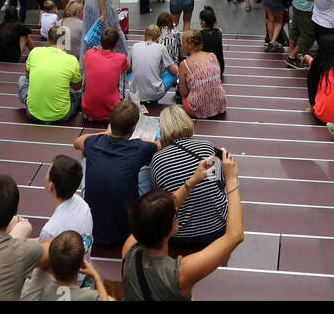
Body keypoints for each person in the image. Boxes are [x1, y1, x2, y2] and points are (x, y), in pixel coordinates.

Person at [122, 151, 244, 301]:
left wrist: (193, 181)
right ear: (170, 228)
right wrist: (232, 179)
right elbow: (235, 236)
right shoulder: (180, 274)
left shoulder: (128, 252)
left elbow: (157, 213)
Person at [72, 100, 159, 247]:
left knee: (86, 155)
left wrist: (106, 133)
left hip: (92, 226)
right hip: (125, 232)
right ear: (133, 129)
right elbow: (160, 145)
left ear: (111, 123)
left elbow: (77, 142)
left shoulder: (94, 142)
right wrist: (143, 140)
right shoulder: (140, 148)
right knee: (148, 163)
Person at [21, 154, 96, 301]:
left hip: (62, 283)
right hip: (82, 271)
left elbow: (40, 263)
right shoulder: (83, 205)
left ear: (51, 186)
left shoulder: (51, 229)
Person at [149, 105, 228, 244]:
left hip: (177, 235)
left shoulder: (157, 159)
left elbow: (161, 197)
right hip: (217, 228)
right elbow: (221, 184)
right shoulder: (207, 147)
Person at [19, 24, 82, 123]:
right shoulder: (71, 60)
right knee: (79, 94)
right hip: (61, 115)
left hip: (33, 114)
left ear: (48, 39)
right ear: (64, 41)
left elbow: (28, 76)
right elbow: (77, 87)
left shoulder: (35, 52)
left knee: (22, 79)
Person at [81, 26, 129, 122]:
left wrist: (97, 52)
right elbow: (127, 68)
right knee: (122, 72)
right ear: (115, 45)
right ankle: (120, 103)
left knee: (89, 68)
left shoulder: (89, 53)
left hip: (87, 113)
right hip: (111, 114)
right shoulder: (121, 58)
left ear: (101, 41)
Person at [177, 28, 227, 119]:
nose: (181, 45)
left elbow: (184, 93)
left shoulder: (184, 64)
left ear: (191, 45)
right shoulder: (213, 56)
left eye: (183, 42)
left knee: (183, 98)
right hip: (220, 104)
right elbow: (217, 78)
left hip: (197, 110)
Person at [129, 23, 179, 103]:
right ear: (158, 39)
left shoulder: (135, 46)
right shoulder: (161, 48)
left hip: (135, 93)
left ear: (144, 37)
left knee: (130, 72)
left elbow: (128, 68)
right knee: (173, 72)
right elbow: (174, 71)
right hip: (154, 94)